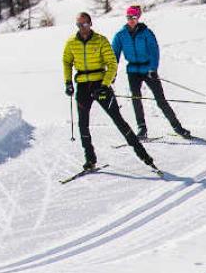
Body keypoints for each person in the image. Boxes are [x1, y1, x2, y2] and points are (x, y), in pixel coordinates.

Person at [63, 10, 154, 172]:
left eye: (84, 24)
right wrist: (68, 82)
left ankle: (144, 155)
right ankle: (89, 159)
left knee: (118, 120)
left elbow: (112, 64)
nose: (82, 27)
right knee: (83, 124)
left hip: (100, 84)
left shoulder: (100, 41)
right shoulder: (71, 43)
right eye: (79, 25)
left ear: (90, 24)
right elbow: (67, 62)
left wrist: (104, 85)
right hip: (82, 86)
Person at [112, 4, 193, 139]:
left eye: (133, 17)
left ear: (138, 17)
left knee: (160, 100)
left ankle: (177, 127)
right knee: (136, 98)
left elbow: (154, 51)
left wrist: (153, 69)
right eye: (128, 17)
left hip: (148, 69)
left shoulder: (146, 33)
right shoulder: (120, 35)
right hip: (132, 70)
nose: (131, 20)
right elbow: (114, 55)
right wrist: (112, 73)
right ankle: (142, 128)